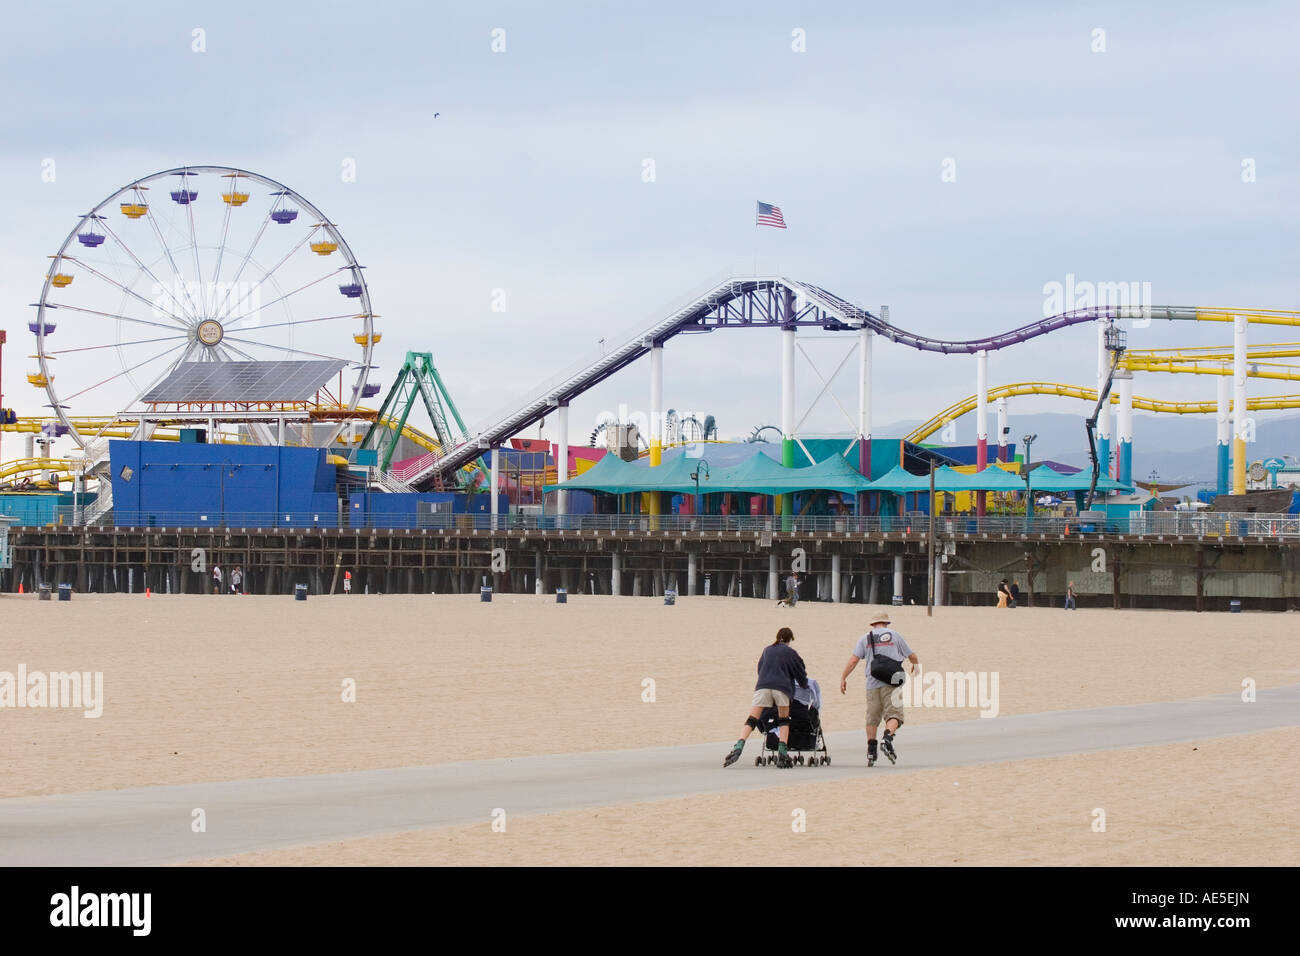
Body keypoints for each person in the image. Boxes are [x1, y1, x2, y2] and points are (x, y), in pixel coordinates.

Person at [840, 612, 919, 767]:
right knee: (895, 714)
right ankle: (887, 737)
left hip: (872, 682)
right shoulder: (895, 636)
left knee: (872, 717)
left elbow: (853, 660)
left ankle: (871, 750)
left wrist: (843, 678)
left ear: (873, 624)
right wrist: (916, 666)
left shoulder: (865, 638)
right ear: (886, 623)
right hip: (892, 682)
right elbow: (912, 655)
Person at [723, 627, 809, 769]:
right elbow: (801, 673)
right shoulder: (791, 653)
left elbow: (760, 668)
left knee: (752, 719)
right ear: (789, 640)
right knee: (784, 720)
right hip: (782, 688)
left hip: (762, 686)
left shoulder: (767, 650)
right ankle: (782, 753)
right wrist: (804, 684)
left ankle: (738, 746)